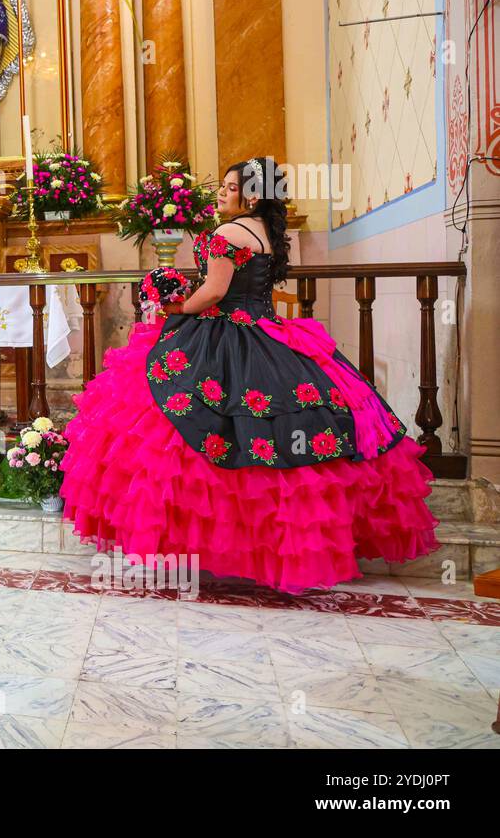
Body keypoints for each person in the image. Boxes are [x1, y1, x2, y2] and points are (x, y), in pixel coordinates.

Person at [58, 157, 439, 593]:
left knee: (175, 425)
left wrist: (176, 306)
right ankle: (271, 549)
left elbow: (216, 291)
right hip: (268, 333)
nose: (219, 192)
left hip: (220, 336)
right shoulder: (266, 233)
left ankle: (192, 545)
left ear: (252, 194)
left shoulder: (227, 233)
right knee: (275, 431)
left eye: (228, 186)